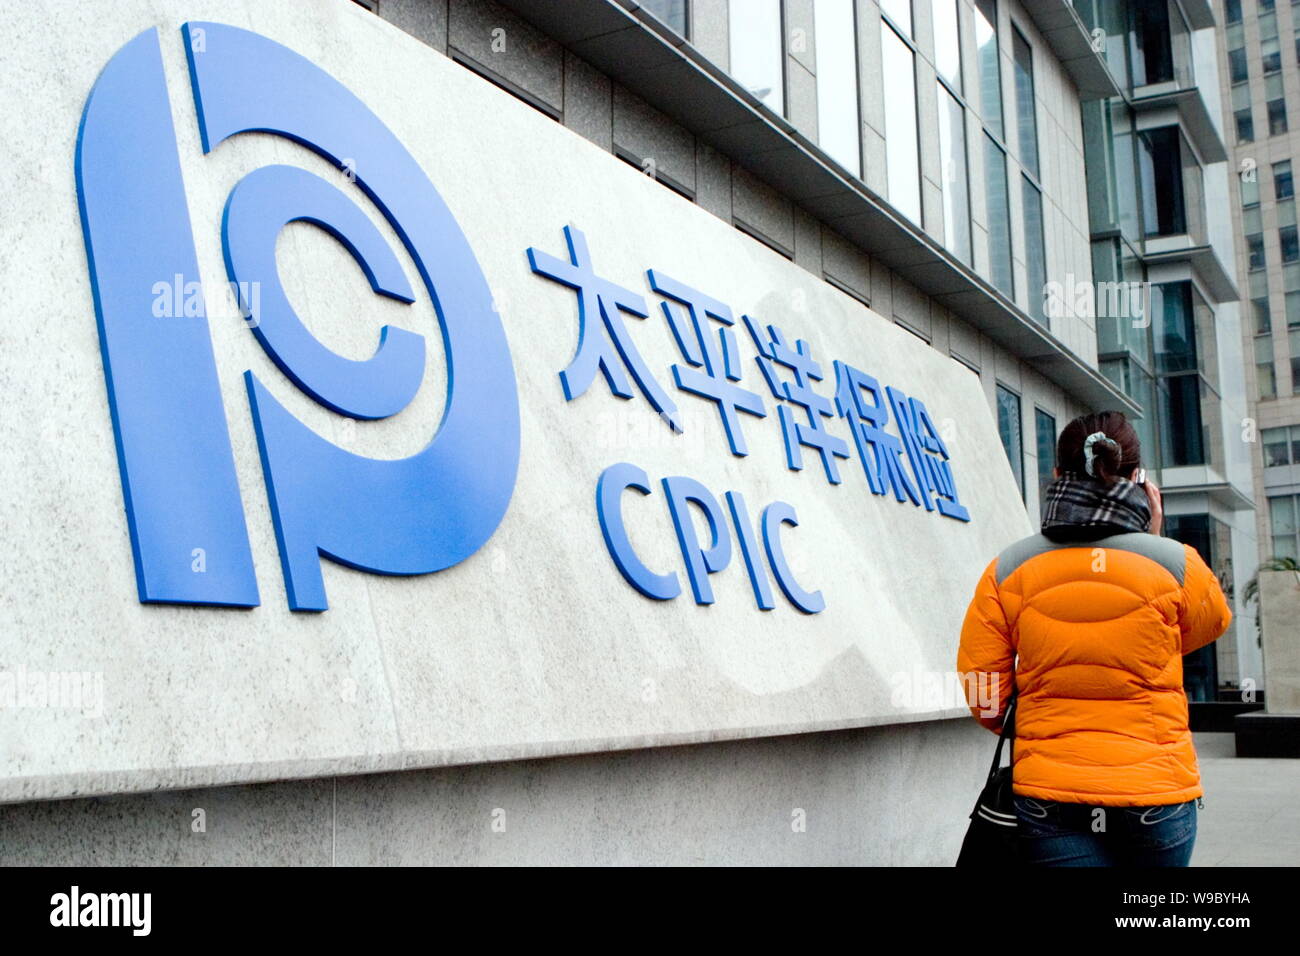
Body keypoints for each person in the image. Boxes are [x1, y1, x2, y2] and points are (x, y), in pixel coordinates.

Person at [956, 411, 1232, 866]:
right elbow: (1203, 627)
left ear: (1058, 475)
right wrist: (1153, 538)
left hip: (1050, 795)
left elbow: (983, 693)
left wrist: (1034, 722)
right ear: (1137, 479)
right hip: (1156, 794)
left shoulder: (1007, 568)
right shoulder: (1178, 565)